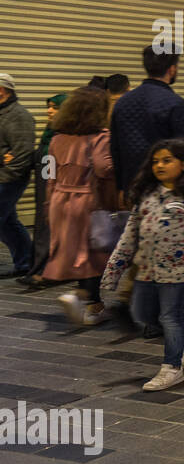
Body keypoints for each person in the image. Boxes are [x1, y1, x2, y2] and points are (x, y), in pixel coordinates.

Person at [101, 139, 184, 390]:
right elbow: (129, 236)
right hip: (147, 267)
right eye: (155, 161)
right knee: (143, 314)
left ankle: (172, 368)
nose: (159, 165)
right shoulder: (147, 193)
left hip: (180, 269)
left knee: (170, 316)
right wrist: (114, 270)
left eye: (167, 160)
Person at [45, 87, 116, 325]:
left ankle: (88, 301)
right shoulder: (100, 137)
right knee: (96, 253)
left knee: (77, 254)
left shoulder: (57, 138)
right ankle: (85, 299)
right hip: (86, 201)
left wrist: (49, 204)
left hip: (59, 199)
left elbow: (51, 175)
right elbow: (102, 168)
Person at [109, 47, 184, 204]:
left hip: (134, 187)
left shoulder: (122, 103)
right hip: (169, 190)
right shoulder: (175, 103)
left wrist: (121, 187)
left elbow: (115, 149)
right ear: (172, 69)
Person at [15, 93, 67, 288]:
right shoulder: (50, 132)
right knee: (43, 227)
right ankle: (38, 268)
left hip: (55, 188)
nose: (49, 110)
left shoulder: (66, 134)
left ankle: (46, 271)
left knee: (50, 228)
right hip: (44, 185)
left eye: (54, 107)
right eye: (49, 106)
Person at [0, 73, 35, 279]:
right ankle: (25, 262)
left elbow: (21, 154)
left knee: (4, 221)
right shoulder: (3, 113)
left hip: (9, 179)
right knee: (7, 222)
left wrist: (5, 177)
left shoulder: (19, 116)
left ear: (2, 90)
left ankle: (27, 261)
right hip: (3, 175)